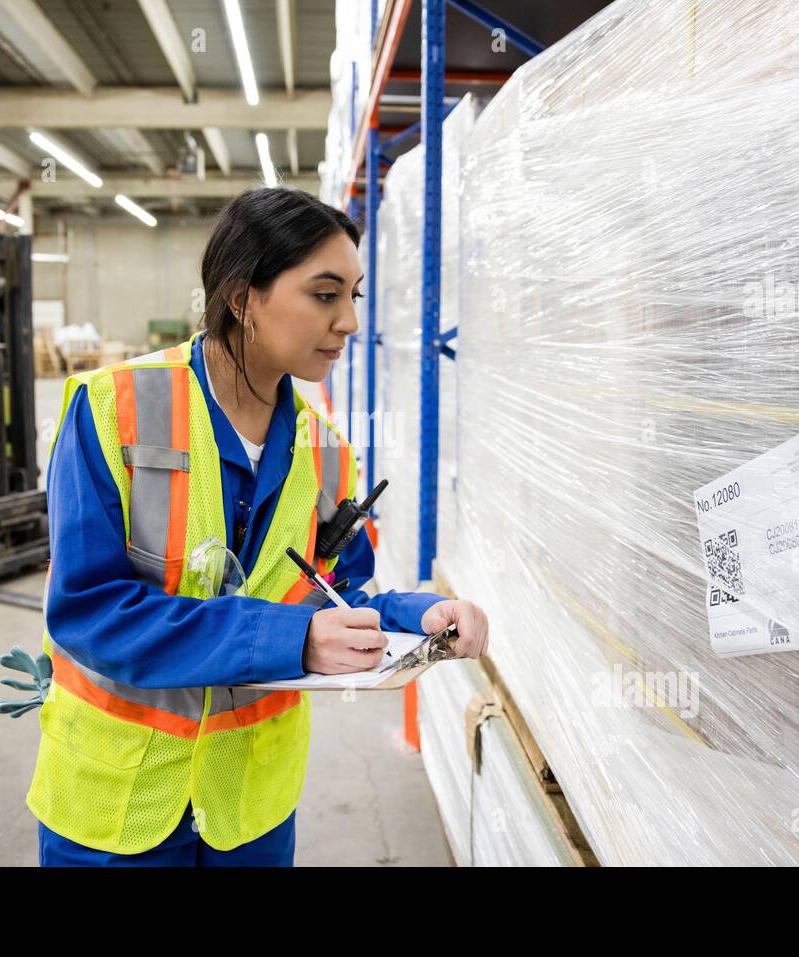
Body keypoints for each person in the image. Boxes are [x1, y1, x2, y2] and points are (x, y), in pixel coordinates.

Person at [29, 187, 490, 867]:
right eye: (325, 295)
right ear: (242, 298)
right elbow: (89, 611)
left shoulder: (329, 455)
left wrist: (420, 615)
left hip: (250, 812)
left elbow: (335, 601)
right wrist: (290, 638)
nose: (350, 322)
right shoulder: (114, 409)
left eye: (355, 296)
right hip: (118, 806)